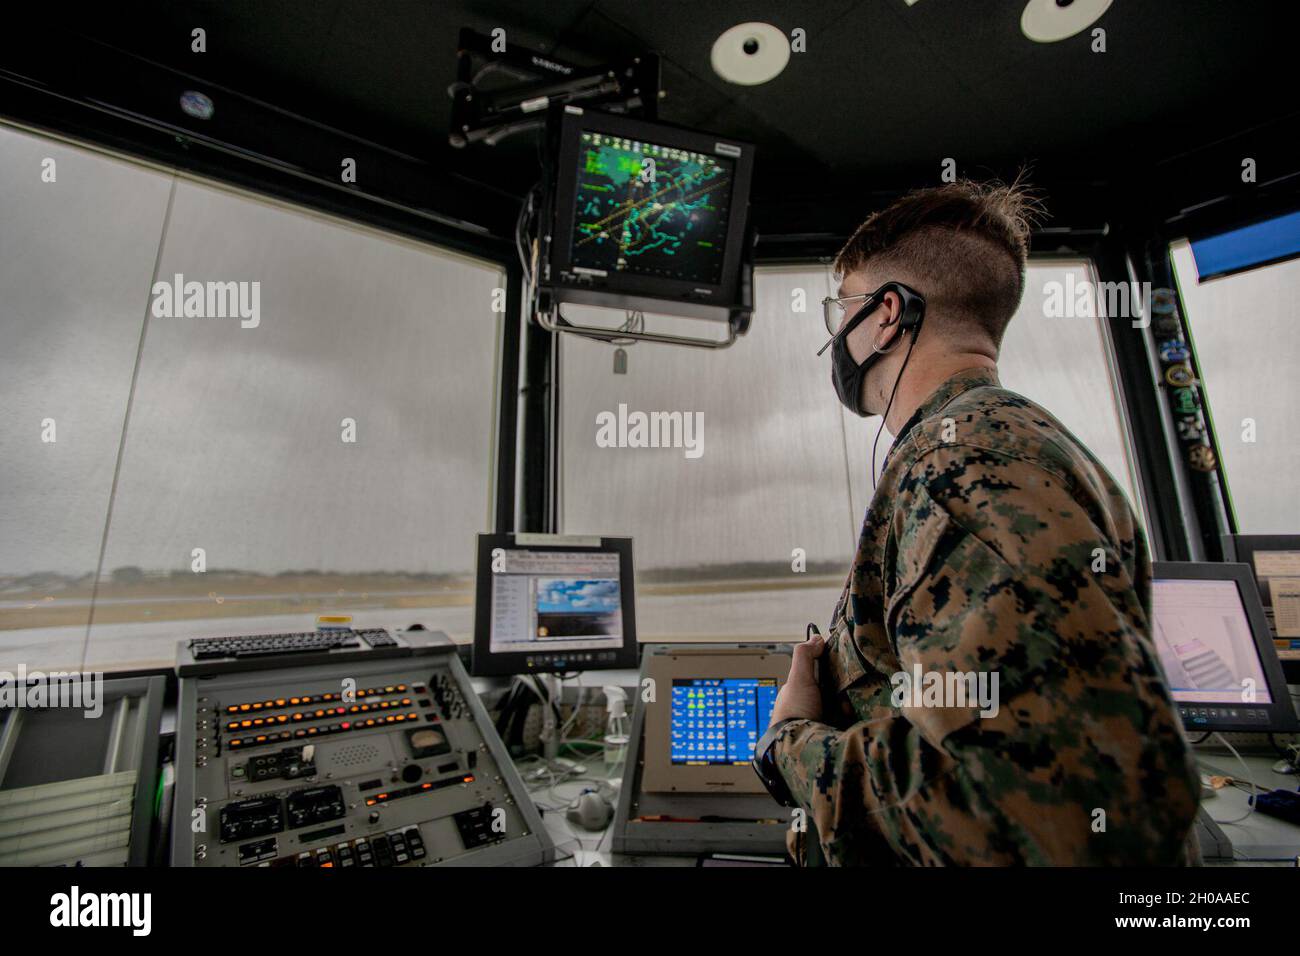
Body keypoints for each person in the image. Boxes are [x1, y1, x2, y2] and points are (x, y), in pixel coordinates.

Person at [752, 179, 1200, 865]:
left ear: (886, 315)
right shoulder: (1010, 444)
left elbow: (1047, 804)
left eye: (839, 313)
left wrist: (793, 742)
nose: (834, 338)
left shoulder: (965, 466)